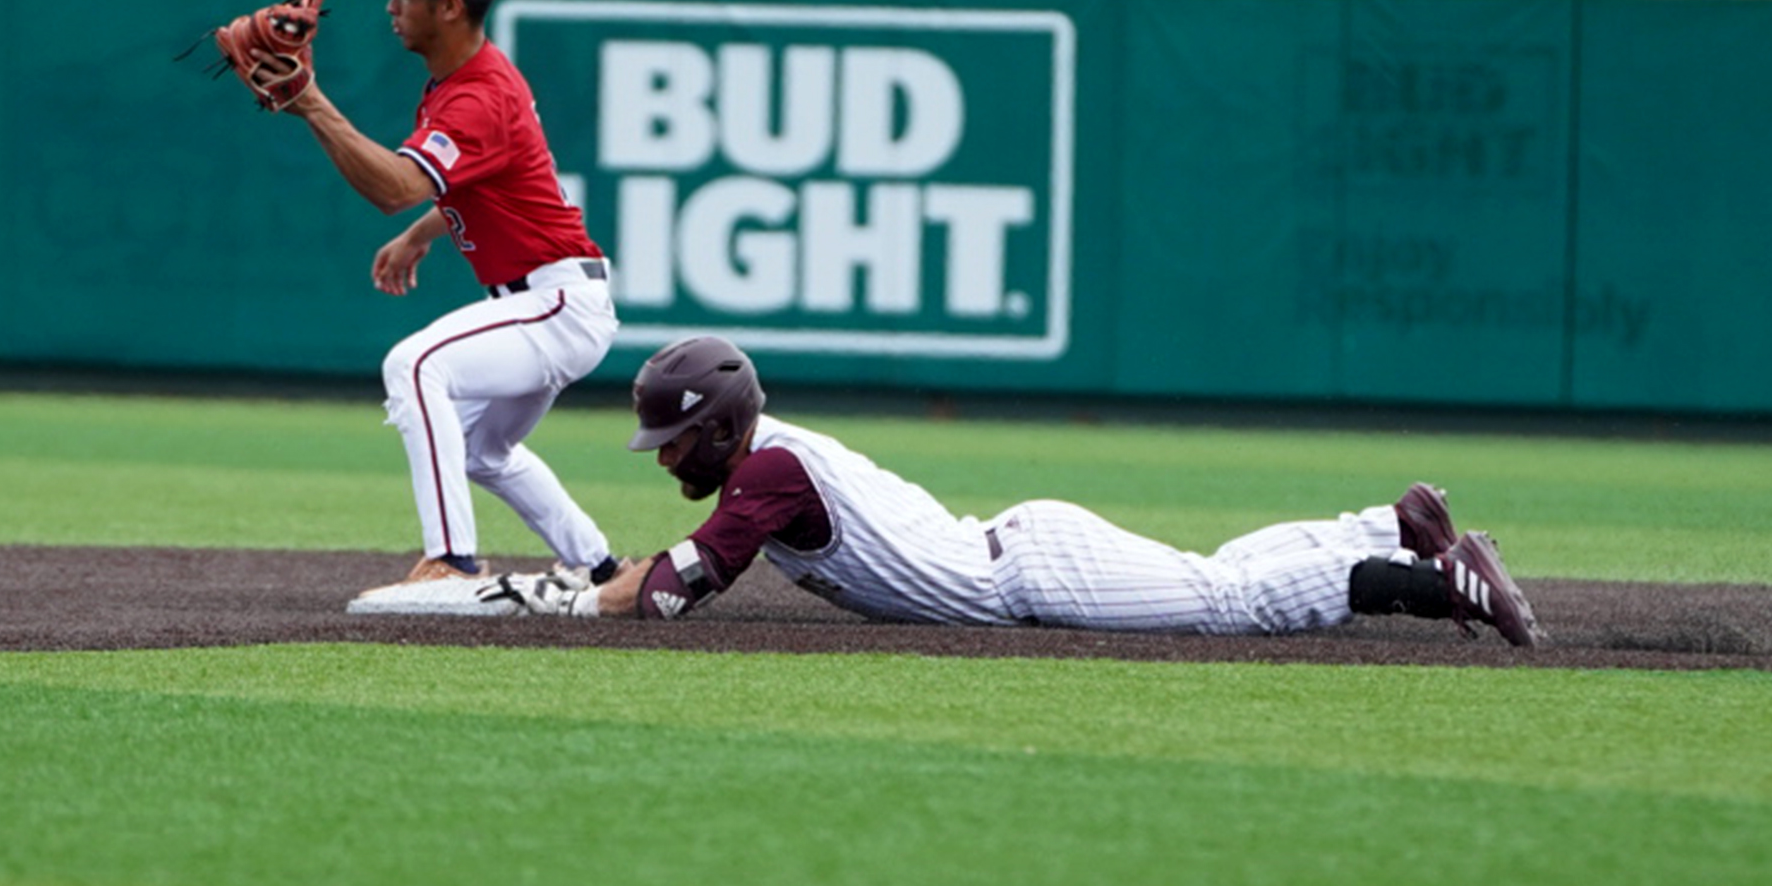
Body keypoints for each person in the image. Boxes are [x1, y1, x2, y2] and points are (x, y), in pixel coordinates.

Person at [477, 337, 1549, 646]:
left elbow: (677, 591)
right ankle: (1389, 523)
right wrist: (601, 583)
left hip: (1031, 575)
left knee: (1232, 604)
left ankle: (1436, 579)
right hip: (1022, 551)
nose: (663, 458)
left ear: (718, 427)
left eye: (671, 441)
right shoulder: (771, 459)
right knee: (1218, 574)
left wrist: (575, 600)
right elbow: (676, 568)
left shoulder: (768, 470)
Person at [267, 0, 621, 589]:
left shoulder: (478, 96)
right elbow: (480, 186)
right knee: (485, 450)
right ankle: (600, 567)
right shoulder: (465, 80)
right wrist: (423, 233)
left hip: (555, 303)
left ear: (450, 6)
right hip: (550, 299)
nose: (391, 5)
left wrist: (311, 102)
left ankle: (451, 561)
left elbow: (395, 188)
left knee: (416, 364)